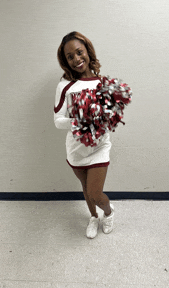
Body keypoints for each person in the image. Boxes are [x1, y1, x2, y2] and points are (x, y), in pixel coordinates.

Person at [54, 31, 114, 239]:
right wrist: (80, 120)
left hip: (99, 148)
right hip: (76, 150)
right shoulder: (64, 86)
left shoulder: (103, 83)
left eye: (79, 52)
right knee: (86, 190)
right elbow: (58, 121)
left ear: (87, 51)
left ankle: (108, 212)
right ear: (66, 61)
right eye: (70, 57)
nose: (76, 59)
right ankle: (93, 217)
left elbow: (110, 117)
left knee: (96, 193)